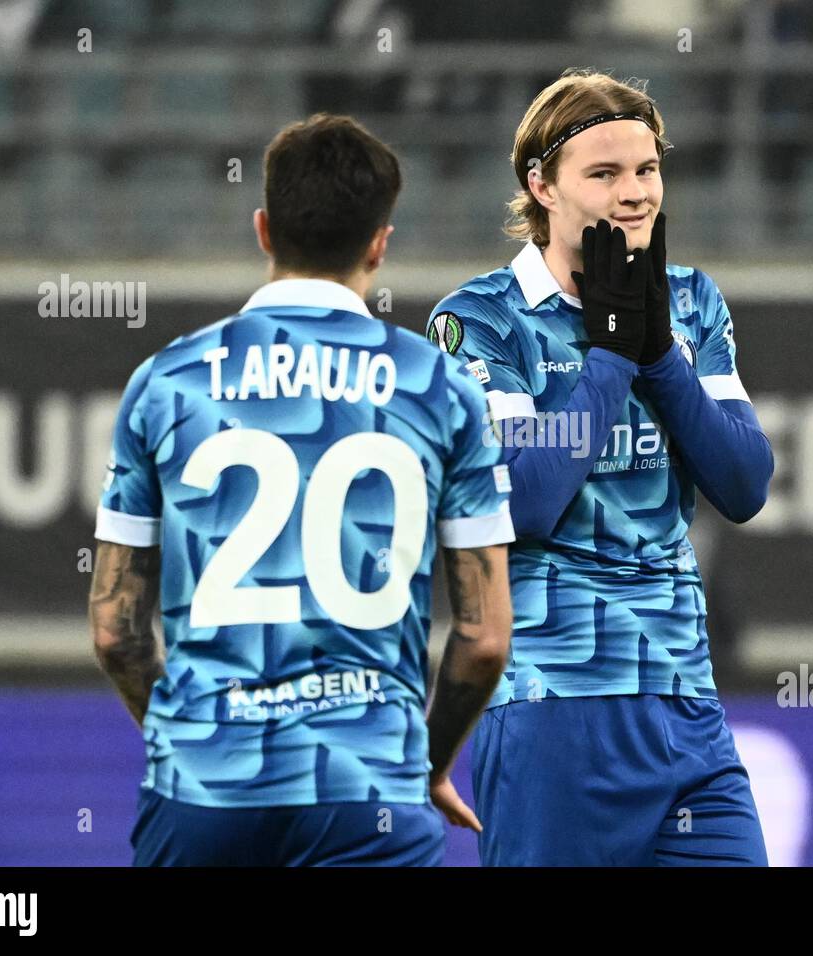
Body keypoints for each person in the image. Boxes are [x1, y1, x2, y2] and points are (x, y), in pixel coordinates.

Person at [88, 112, 513, 866]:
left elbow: (116, 630)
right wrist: (426, 762)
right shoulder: (442, 389)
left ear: (262, 229)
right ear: (381, 241)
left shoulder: (166, 382)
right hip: (367, 787)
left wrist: (189, 743)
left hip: (203, 791)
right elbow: (483, 640)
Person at [427, 69, 774, 866]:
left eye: (647, 169)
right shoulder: (478, 318)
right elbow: (526, 504)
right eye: (605, 173)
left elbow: (745, 484)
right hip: (557, 705)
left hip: (687, 704)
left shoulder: (689, 302)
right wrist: (613, 355)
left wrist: (657, 350)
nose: (636, 193)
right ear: (540, 185)